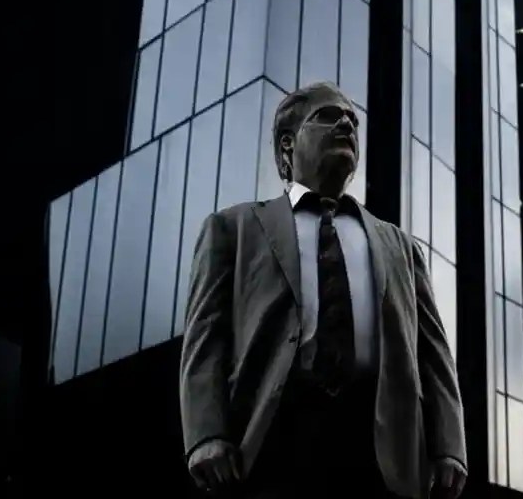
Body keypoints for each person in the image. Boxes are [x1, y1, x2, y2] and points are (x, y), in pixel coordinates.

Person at [179, 81, 468, 498]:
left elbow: (433, 351)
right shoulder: (232, 229)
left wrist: (449, 445)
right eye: (328, 116)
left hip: (382, 449)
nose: (346, 125)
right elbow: (205, 337)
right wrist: (206, 433)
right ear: (288, 143)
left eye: (352, 121)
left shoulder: (400, 246)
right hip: (269, 441)